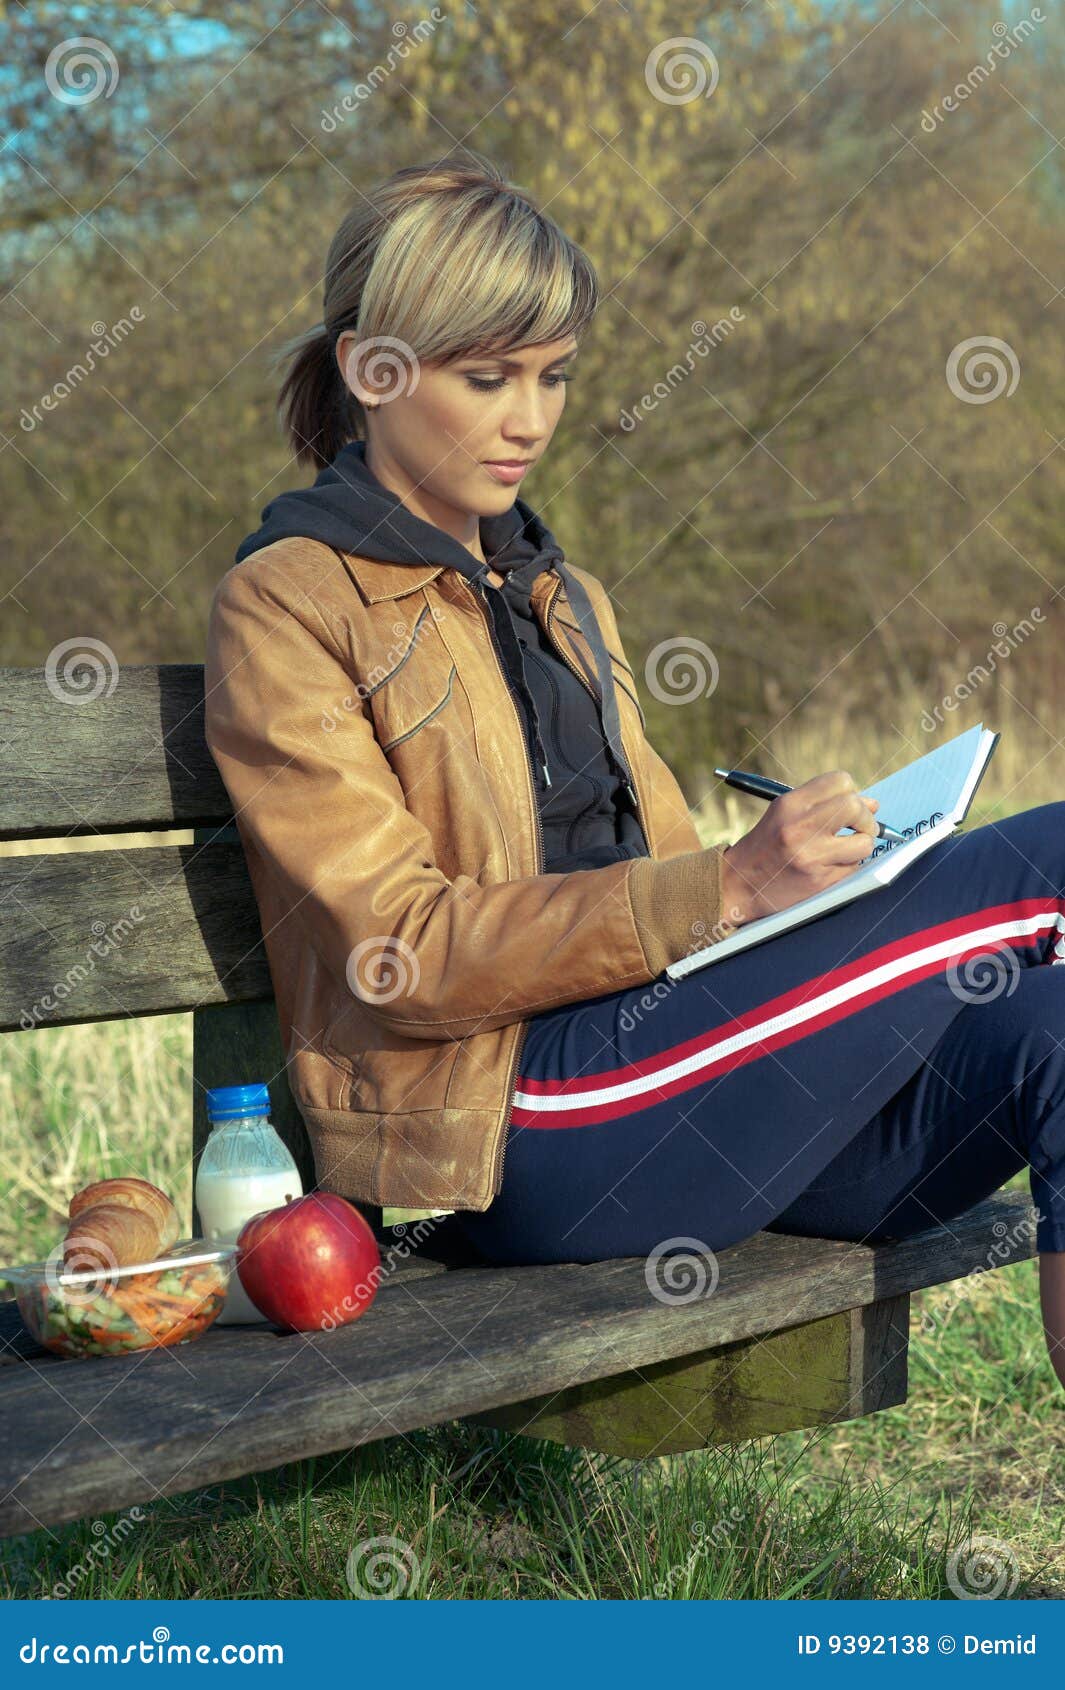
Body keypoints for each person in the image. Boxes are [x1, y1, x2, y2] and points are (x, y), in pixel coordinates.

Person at [204, 149, 1065, 1391]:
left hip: (673, 1089)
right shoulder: (286, 606)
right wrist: (723, 890)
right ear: (370, 369)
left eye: (553, 376)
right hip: (511, 1123)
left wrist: (821, 883)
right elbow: (398, 948)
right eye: (487, 375)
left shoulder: (563, 594)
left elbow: (669, 874)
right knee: (1046, 861)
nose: (532, 419)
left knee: (1052, 1027)